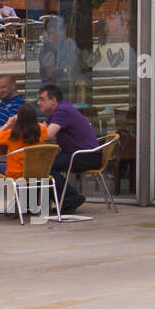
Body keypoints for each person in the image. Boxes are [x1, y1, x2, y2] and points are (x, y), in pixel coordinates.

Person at [36, 83, 99, 213]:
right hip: (77, 154)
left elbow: (47, 135)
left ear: (53, 101)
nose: (38, 103)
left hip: (86, 156)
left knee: (42, 166)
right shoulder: (57, 111)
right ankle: (59, 201)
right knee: (41, 164)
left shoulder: (62, 110)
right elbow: (43, 128)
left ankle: (70, 199)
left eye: (42, 99)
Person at [0, 103, 46, 186]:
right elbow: (42, 126)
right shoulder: (41, 131)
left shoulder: (12, 134)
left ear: (18, 118)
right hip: (35, 174)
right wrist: (32, 122)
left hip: (15, 175)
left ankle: (12, 196)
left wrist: (8, 123)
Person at [38, 16, 82, 90]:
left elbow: (78, 65)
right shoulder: (47, 50)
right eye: (60, 28)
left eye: (62, 28)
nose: (63, 32)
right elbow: (50, 73)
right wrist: (65, 69)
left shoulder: (67, 45)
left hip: (67, 87)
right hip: (53, 90)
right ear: (51, 31)